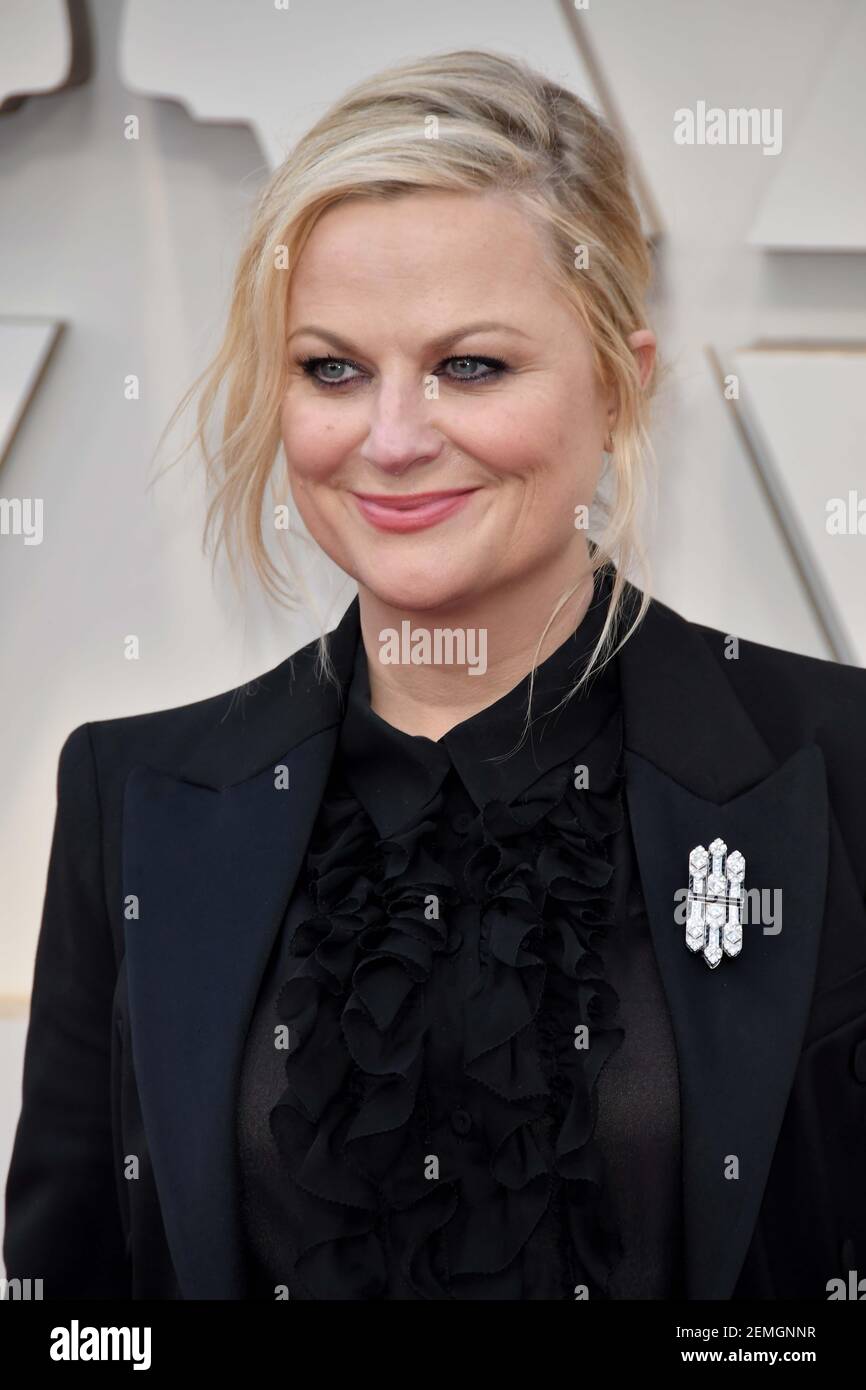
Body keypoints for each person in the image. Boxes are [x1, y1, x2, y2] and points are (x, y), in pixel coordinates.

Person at [5, 49, 866, 1301]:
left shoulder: (835, 763)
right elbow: (74, 1313)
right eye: (331, 368)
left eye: (470, 365)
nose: (392, 439)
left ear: (620, 384)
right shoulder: (128, 797)